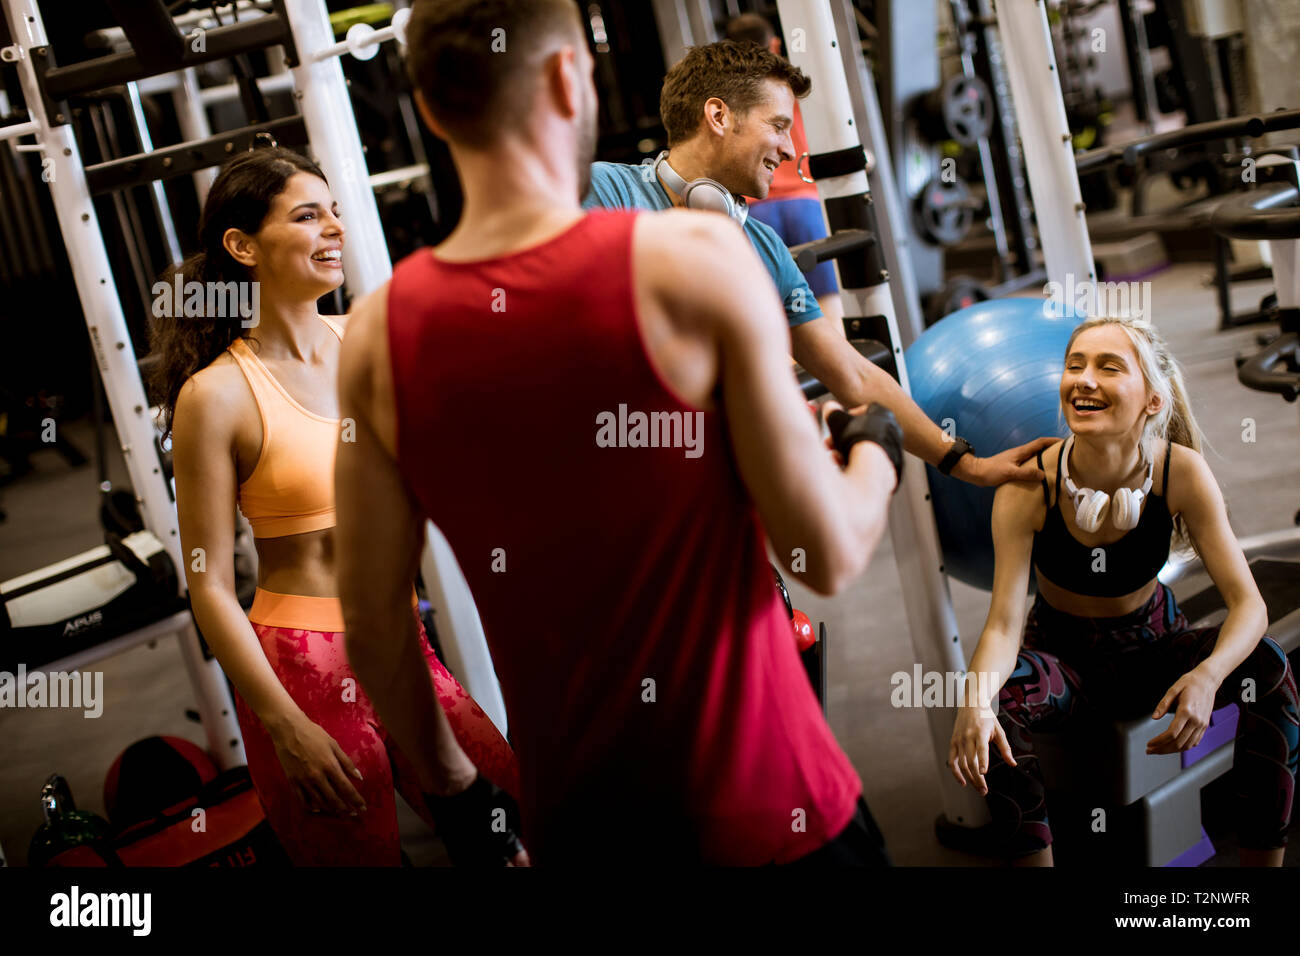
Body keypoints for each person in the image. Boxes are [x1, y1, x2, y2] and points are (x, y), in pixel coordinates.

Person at [337, 0, 902, 866]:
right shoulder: (694, 263)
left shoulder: (377, 336)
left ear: (430, 110)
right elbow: (822, 554)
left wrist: (458, 797)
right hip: (769, 809)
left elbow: (375, 627)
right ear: (571, 77)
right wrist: (875, 454)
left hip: (584, 828)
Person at [152, 147, 524, 866]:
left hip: (402, 641)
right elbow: (208, 582)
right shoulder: (217, 396)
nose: (335, 229)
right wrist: (284, 724)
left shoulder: (364, 337)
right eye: (306, 215)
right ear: (241, 246)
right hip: (301, 662)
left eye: (334, 212)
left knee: (508, 824)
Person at [582, 39, 1055, 490]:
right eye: (778, 125)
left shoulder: (761, 245)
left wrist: (964, 462)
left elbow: (854, 375)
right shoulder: (602, 192)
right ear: (718, 115)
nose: (790, 149)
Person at [948, 315, 1299, 866]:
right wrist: (975, 698)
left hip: (1157, 648)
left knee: (1270, 667)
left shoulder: (1180, 473)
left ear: (1152, 402)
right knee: (996, 703)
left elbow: (1248, 604)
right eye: (1074, 366)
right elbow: (1002, 624)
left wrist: (1207, 677)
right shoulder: (1027, 486)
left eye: (1109, 367)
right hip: (1065, 663)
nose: (1084, 379)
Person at [723, 12, 841, 332]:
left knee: (778, 322)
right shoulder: (793, 85)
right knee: (829, 313)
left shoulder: (726, 98)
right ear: (774, 44)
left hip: (754, 213)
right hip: (805, 207)